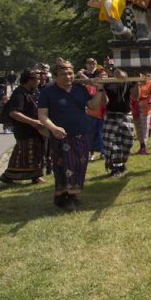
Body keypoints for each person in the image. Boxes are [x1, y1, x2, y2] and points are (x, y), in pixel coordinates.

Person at [38, 58, 107, 211]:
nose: (68, 77)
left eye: (70, 73)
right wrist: (54, 128)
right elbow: (42, 115)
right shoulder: (48, 91)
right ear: (56, 76)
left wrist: (100, 89)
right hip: (60, 136)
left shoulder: (79, 88)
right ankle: (64, 196)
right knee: (62, 166)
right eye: (63, 74)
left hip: (82, 133)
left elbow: (93, 105)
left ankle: (73, 194)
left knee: (80, 164)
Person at [0, 69, 45, 185]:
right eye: (37, 79)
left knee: (34, 153)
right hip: (25, 130)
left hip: (34, 129)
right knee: (24, 154)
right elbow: (14, 113)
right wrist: (32, 122)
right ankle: (9, 176)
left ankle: (35, 177)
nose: (39, 81)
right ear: (29, 80)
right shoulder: (19, 93)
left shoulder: (32, 91)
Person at [102, 68, 134, 177]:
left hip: (126, 115)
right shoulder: (107, 82)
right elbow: (103, 101)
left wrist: (137, 83)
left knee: (128, 142)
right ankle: (114, 168)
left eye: (119, 69)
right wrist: (101, 88)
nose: (117, 71)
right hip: (111, 115)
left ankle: (122, 164)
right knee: (111, 143)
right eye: (114, 69)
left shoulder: (129, 81)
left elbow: (136, 96)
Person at [130, 73, 151, 155]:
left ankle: (143, 146)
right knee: (137, 126)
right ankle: (142, 144)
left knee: (145, 126)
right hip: (134, 106)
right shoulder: (132, 82)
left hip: (146, 106)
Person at [86, 66, 107, 162]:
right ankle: (91, 153)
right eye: (101, 76)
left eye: (105, 75)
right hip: (91, 115)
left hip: (104, 115)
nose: (104, 77)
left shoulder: (108, 87)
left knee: (102, 135)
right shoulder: (89, 87)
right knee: (91, 135)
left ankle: (103, 152)